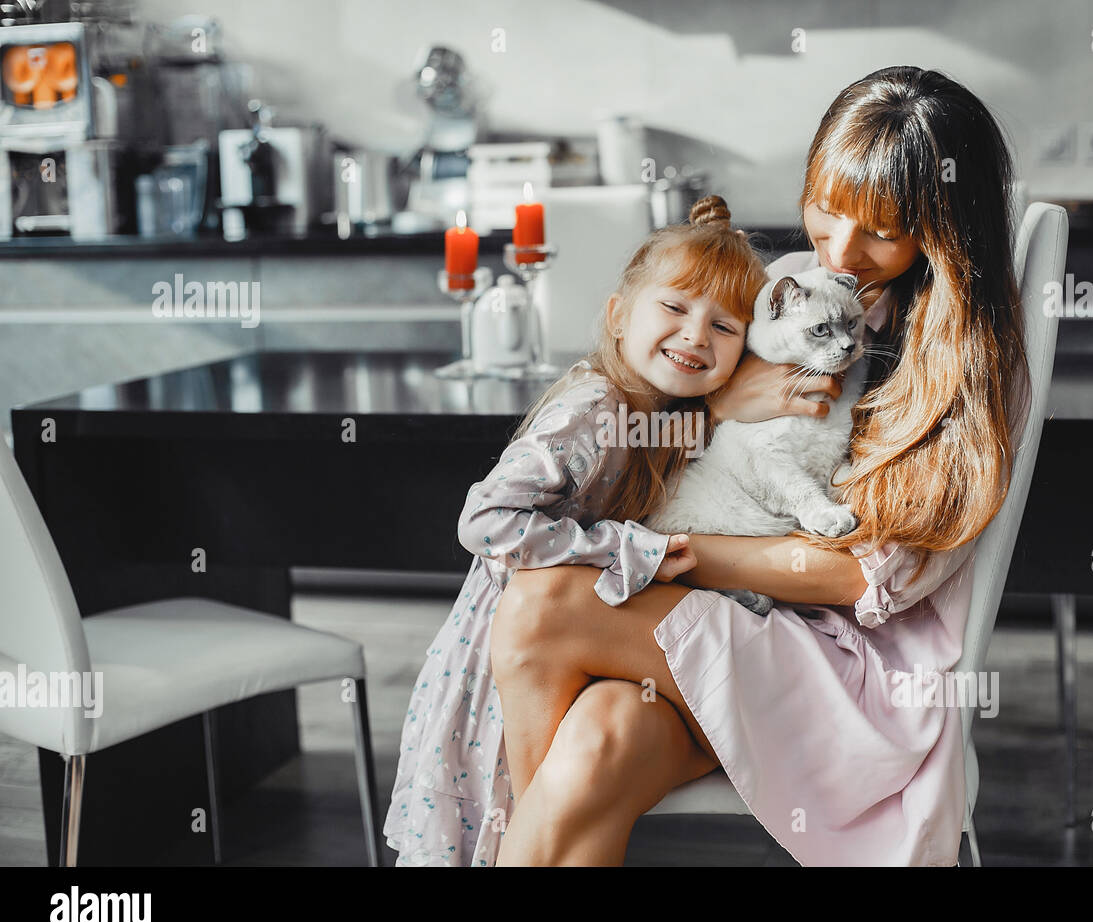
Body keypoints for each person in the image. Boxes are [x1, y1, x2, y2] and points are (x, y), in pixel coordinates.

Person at [489, 66, 1032, 866]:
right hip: (729, 633)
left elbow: (864, 580)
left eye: (882, 230)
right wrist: (716, 410)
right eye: (828, 209)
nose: (841, 251)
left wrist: (680, 558)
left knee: (541, 606)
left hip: (847, 665)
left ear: (945, 230)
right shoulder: (784, 290)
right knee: (599, 742)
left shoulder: (962, 367)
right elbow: (675, 444)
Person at [383, 194, 813, 865]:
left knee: (561, 802)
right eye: (673, 308)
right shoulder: (592, 409)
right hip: (521, 655)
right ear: (618, 317)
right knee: (517, 823)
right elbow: (487, 520)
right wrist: (626, 548)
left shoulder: (667, 412)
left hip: (586, 642)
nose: (696, 334)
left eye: (724, 327)